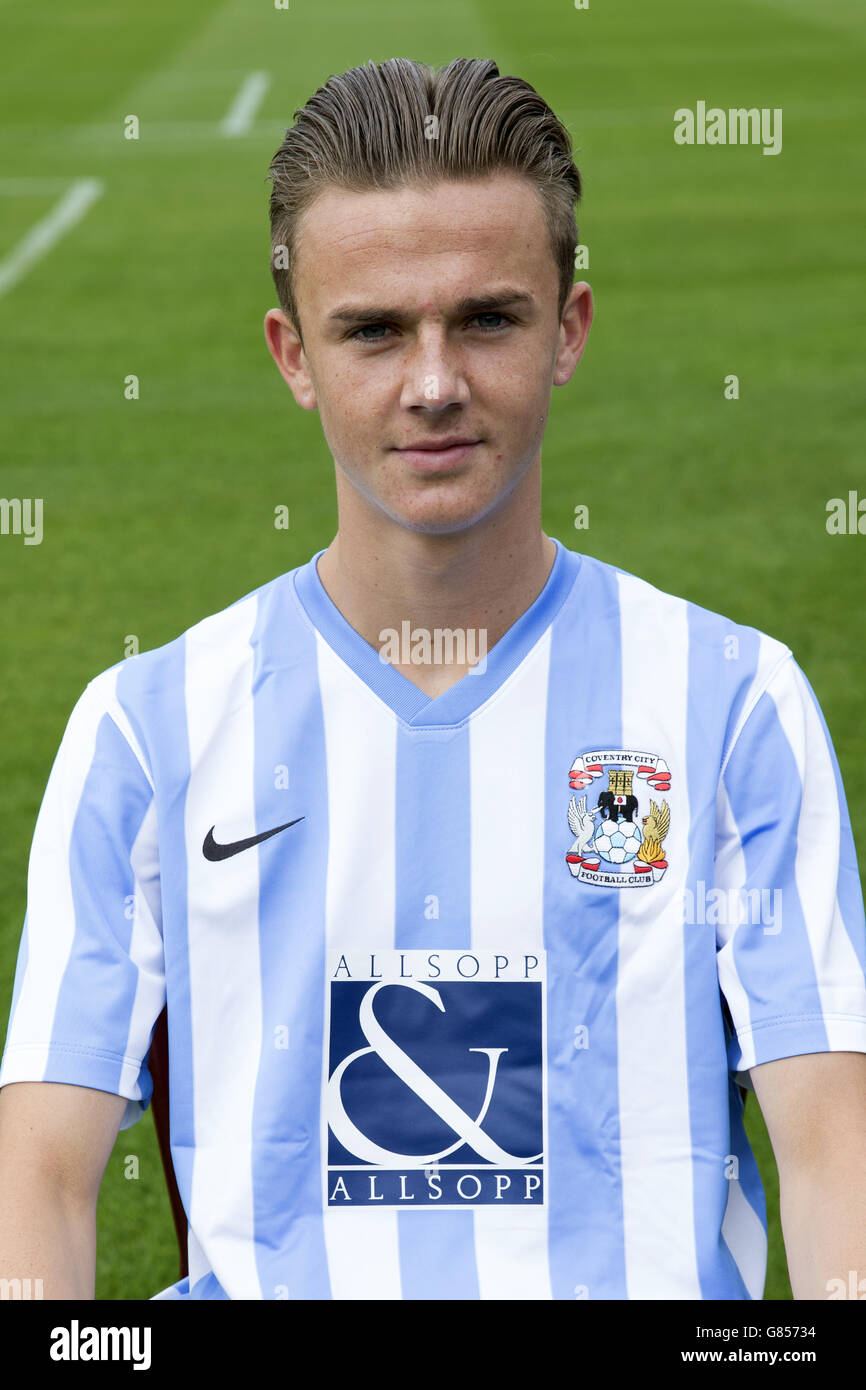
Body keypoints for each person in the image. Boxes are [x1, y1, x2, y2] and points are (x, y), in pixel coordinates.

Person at [1, 56, 865, 1302]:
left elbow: (833, 1136)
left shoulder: (728, 704)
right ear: (293, 354)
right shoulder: (148, 730)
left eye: (486, 318)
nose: (432, 383)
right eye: (372, 330)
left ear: (566, 328)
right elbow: (40, 1175)